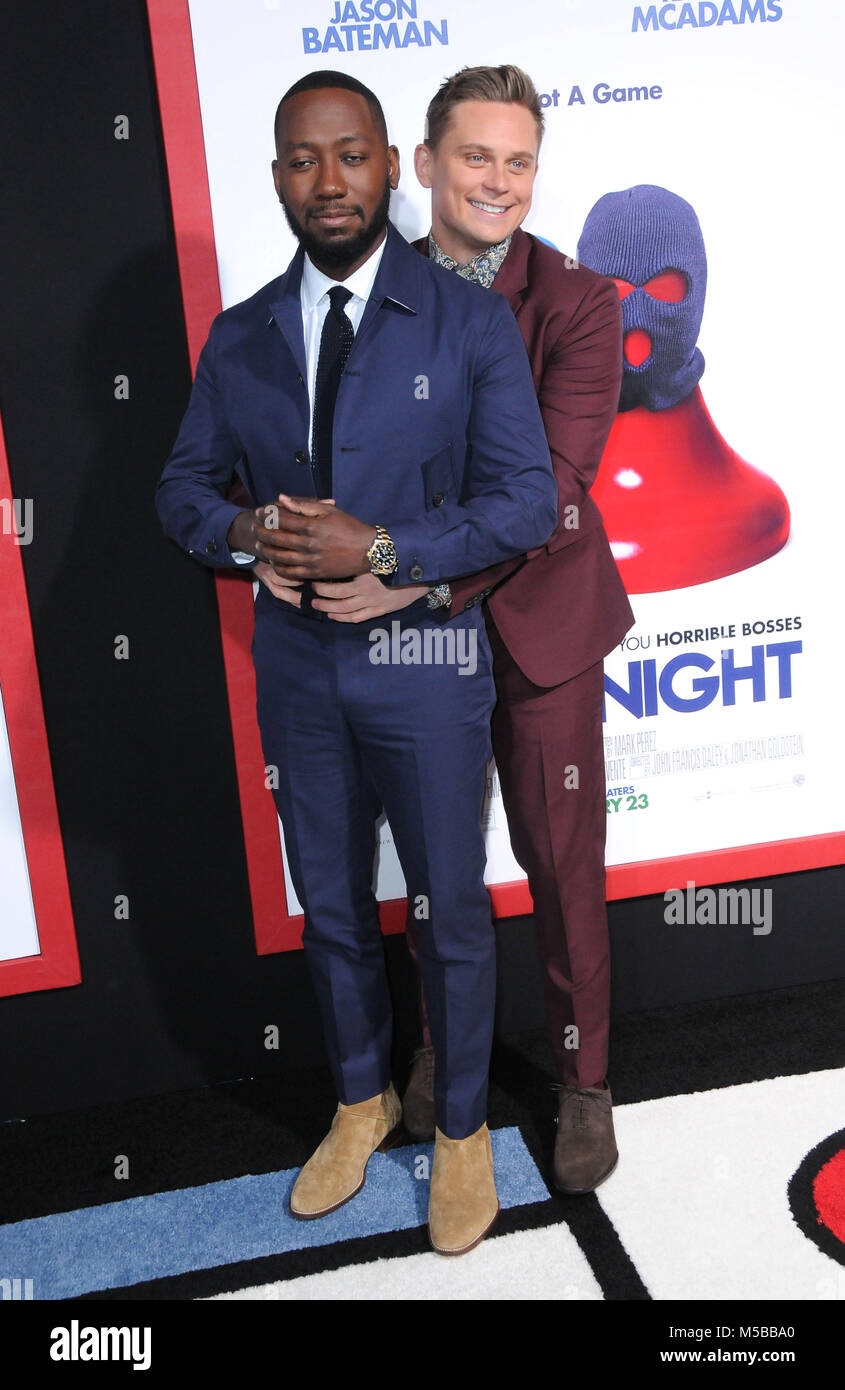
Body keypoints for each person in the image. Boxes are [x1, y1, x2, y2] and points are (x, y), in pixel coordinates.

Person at [155, 70, 557, 1255]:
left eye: (348, 156)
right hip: (296, 664)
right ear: (277, 176)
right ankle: (357, 1098)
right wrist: (247, 543)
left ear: (393, 164)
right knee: (329, 907)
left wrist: (388, 549)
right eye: (299, 160)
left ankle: (467, 1131)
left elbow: (525, 500)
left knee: (449, 912)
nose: (326, 181)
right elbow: (180, 491)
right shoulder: (240, 336)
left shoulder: (466, 319)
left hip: (426, 658)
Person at [263, 65, 633, 1195]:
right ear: (422, 165)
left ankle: (581, 1084)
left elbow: (552, 492)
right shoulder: (367, 289)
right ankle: (444, 1057)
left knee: (560, 866)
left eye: (516, 161)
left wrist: (400, 574)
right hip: (405, 631)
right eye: (475, 157)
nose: (497, 181)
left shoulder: (576, 302)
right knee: (434, 867)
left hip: (531, 628)